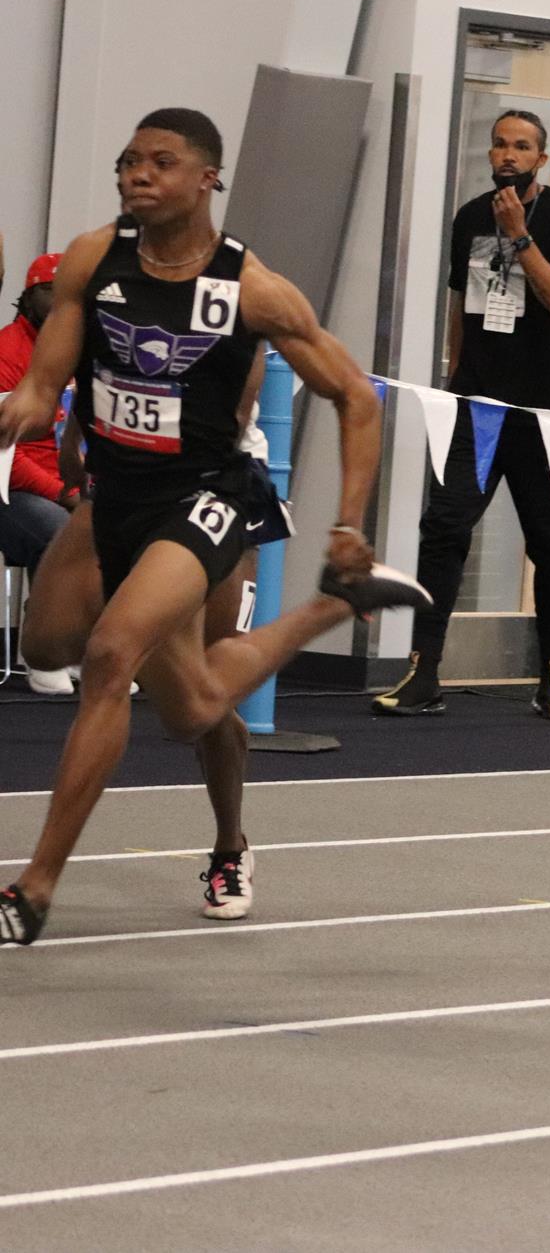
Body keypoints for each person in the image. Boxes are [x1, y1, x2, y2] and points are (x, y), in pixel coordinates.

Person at [0, 107, 428, 946]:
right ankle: (325, 614)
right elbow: (47, 382)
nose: (137, 175)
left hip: (205, 496)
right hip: (114, 496)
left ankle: (34, 887)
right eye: (127, 161)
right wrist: (26, 407)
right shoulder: (95, 257)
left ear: (207, 179)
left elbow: (357, 398)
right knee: (152, 688)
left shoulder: (252, 290)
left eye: (160, 162)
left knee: (110, 657)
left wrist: (348, 522)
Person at [21, 370, 295, 920]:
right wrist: (78, 467)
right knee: (53, 648)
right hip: (125, 494)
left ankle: (229, 849)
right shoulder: (107, 295)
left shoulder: (239, 300)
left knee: (204, 700)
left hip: (221, 493)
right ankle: (38, 880)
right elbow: (81, 408)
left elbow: (233, 418)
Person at [372, 109, 550, 720]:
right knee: (443, 529)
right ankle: (424, 673)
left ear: (540, 160)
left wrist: (521, 236)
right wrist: (453, 379)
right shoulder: (470, 216)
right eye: (500, 143)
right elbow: (462, 304)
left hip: (545, 411)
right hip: (477, 403)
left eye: (522, 146)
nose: (507, 154)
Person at [0, 253, 81, 693]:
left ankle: (79, 646)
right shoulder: (7, 352)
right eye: (49, 292)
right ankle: (41, 647)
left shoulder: (81, 352)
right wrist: (62, 491)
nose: (58, 303)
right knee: (60, 531)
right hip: (8, 487)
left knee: (113, 528)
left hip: (64, 482)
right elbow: (4, 452)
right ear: (29, 297)